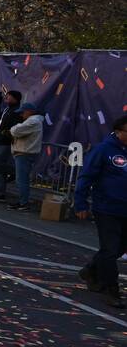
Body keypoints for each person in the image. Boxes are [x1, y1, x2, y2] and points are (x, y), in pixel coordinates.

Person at [74, 114, 127, 309]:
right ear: (119, 131)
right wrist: (80, 203)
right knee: (110, 250)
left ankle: (90, 270)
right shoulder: (104, 150)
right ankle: (111, 289)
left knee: (119, 248)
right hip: (107, 207)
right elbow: (86, 176)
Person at [7, 103, 44, 211]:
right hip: (23, 153)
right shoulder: (33, 121)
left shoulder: (33, 121)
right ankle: (22, 201)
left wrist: (13, 129)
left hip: (24, 153)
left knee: (21, 180)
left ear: (29, 111)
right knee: (22, 179)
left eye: (23, 112)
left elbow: (15, 131)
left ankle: (24, 203)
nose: (21, 115)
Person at [0, 89, 23, 201]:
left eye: (9, 96)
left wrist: (6, 134)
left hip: (5, 142)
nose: (6, 97)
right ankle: (0, 193)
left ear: (15, 99)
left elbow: (15, 128)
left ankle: (15, 172)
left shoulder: (17, 111)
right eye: (6, 96)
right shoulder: (7, 109)